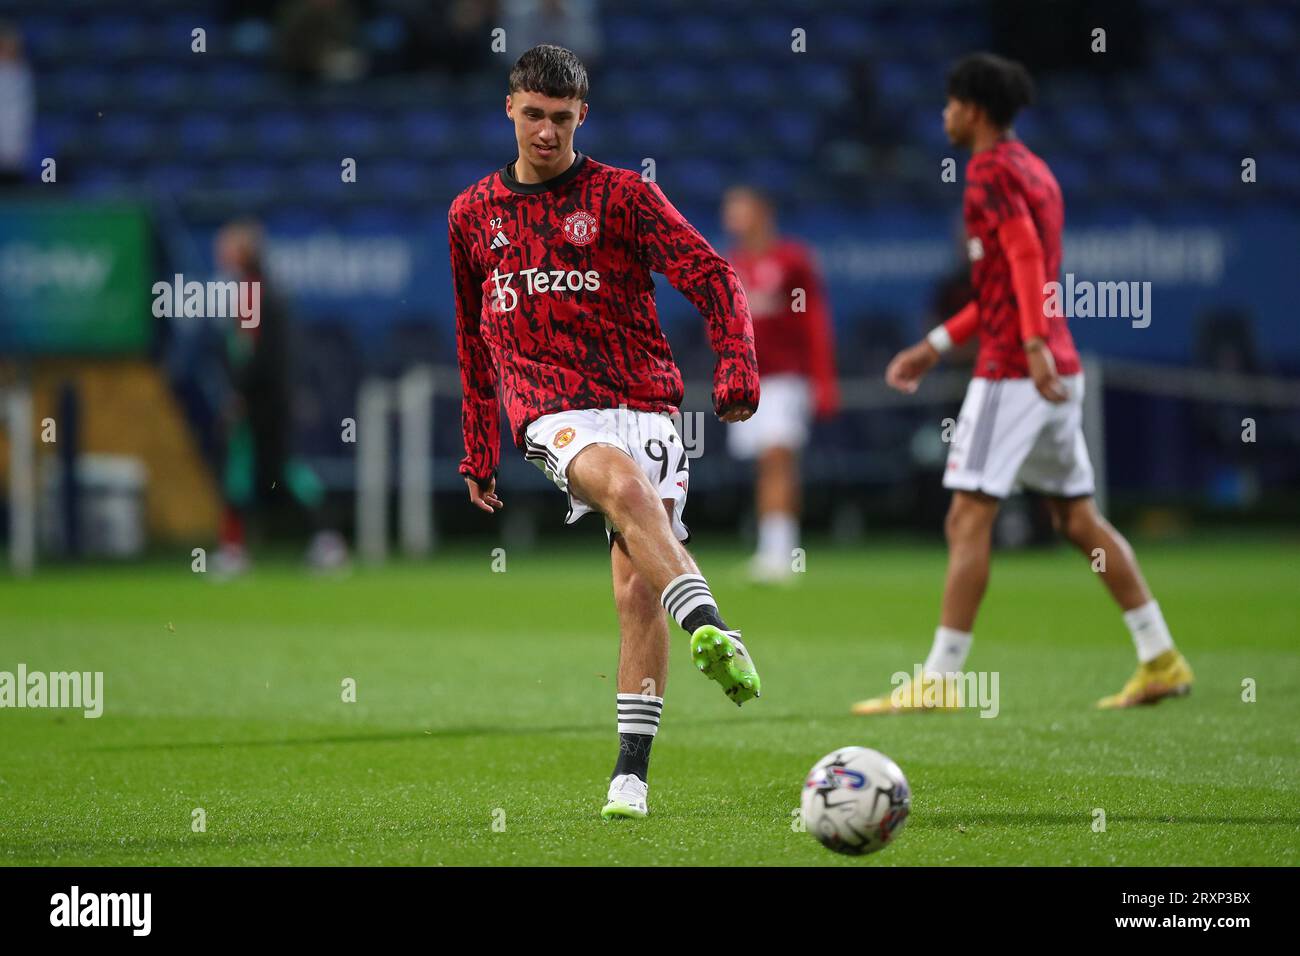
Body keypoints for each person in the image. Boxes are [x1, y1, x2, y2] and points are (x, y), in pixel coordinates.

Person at [449, 44, 762, 819]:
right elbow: (470, 338)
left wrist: (736, 367)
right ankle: (712, 622)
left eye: (561, 118)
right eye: (533, 115)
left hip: (647, 403)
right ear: (509, 108)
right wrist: (477, 444)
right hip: (550, 407)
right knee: (621, 487)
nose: (546, 132)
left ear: (582, 115)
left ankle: (631, 776)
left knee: (634, 593)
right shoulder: (471, 216)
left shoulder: (625, 197)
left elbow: (714, 276)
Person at [853, 53, 1192, 715]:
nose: (944, 115)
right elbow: (1010, 284)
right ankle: (1161, 657)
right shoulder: (1036, 171)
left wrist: (1030, 346)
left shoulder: (987, 175)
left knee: (967, 514)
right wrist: (934, 346)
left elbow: (1029, 262)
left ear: (973, 109)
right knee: (1077, 518)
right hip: (1056, 367)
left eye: (951, 104)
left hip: (1015, 370)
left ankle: (942, 677)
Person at [213, 219, 348, 575]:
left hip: (262, 402)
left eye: (227, 245)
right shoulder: (261, 290)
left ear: (243, 252)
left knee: (268, 471)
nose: (220, 252)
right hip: (266, 399)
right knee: (259, 471)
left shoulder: (256, 293)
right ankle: (321, 541)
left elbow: (256, 353)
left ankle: (238, 550)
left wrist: (239, 394)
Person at [722, 185, 838, 582]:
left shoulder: (793, 260)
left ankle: (782, 553)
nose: (732, 217)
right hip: (751, 381)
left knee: (778, 459)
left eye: (740, 208)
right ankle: (772, 548)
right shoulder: (732, 264)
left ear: (762, 211)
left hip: (787, 378)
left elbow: (815, 320)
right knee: (765, 465)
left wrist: (823, 380)